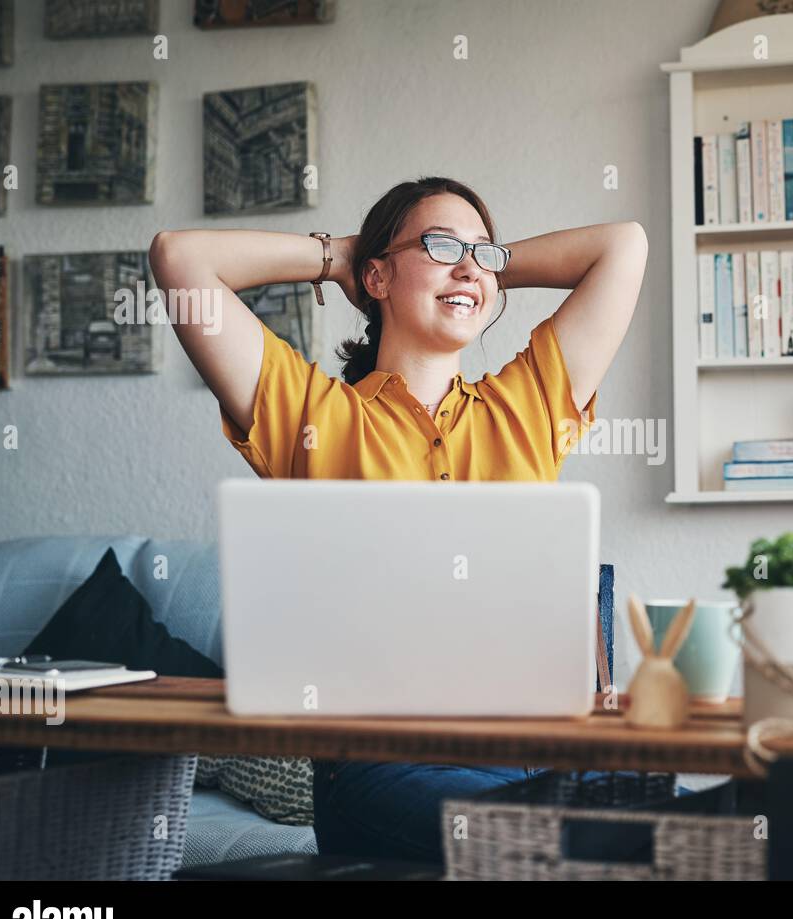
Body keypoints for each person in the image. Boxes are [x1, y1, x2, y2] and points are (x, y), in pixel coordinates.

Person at [150, 176, 648, 864]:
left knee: (685, 830)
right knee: (565, 848)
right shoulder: (315, 416)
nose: (469, 265)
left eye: (485, 253)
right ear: (377, 277)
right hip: (382, 770)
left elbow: (625, 246)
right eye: (441, 245)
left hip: (537, 763)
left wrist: (477, 266)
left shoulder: (528, 405)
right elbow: (180, 259)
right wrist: (344, 257)